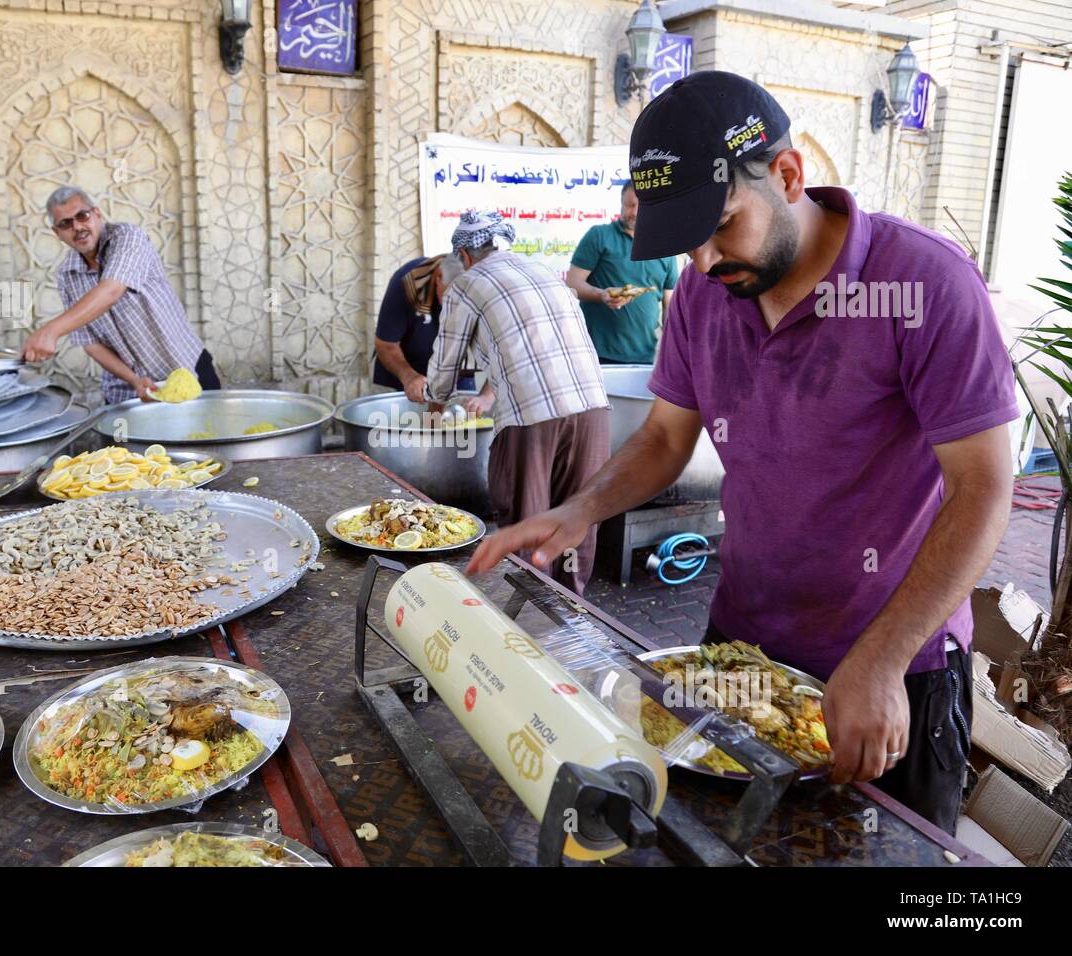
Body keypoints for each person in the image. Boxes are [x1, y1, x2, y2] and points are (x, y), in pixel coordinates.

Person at [467, 71, 1017, 833]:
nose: (701, 261)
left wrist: (884, 659)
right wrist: (577, 512)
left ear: (788, 174)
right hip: (738, 649)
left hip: (896, 665)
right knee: (725, 844)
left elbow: (985, 489)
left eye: (721, 226)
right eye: (685, 240)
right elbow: (664, 437)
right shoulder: (703, 293)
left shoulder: (926, 283)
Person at [426, 210, 611, 595]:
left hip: (532, 417)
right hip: (594, 409)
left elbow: (446, 360)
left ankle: (527, 625)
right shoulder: (545, 272)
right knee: (578, 518)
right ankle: (572, 617)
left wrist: (434, 406)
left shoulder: (467, 283)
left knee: (527, 520)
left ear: (464, 255)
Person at [20, 186, 221, 404]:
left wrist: (51, 331)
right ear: (57, 233)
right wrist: (134, 380)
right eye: (65, 223)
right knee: (121, 439)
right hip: (125, 390)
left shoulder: (128, 238)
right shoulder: (67, 276)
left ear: (97, 214)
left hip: (186, 371)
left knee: (205, 434)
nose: (77, 227)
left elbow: (111, 290)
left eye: (82, 216)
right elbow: (91, 344)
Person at [566, 180, 680, 364]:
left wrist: (672, 350)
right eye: (629, 205)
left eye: (641, 206)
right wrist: (602, 294)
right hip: (597, 354)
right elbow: (572, 284)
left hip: (646, 356)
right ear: (621, 203)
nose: (634, 212)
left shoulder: (663, 247)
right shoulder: (599, 236)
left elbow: (670, 304)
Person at [373, 253, 480, 403]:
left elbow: (504, 349)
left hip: (459, 373)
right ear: (438, 277)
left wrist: (488, 396)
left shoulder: (486, 289)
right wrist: (409, 377)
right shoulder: (406, 282)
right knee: (406, 423)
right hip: (406, 374)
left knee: (460, 421)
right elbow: (386, 345)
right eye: (452, 298)